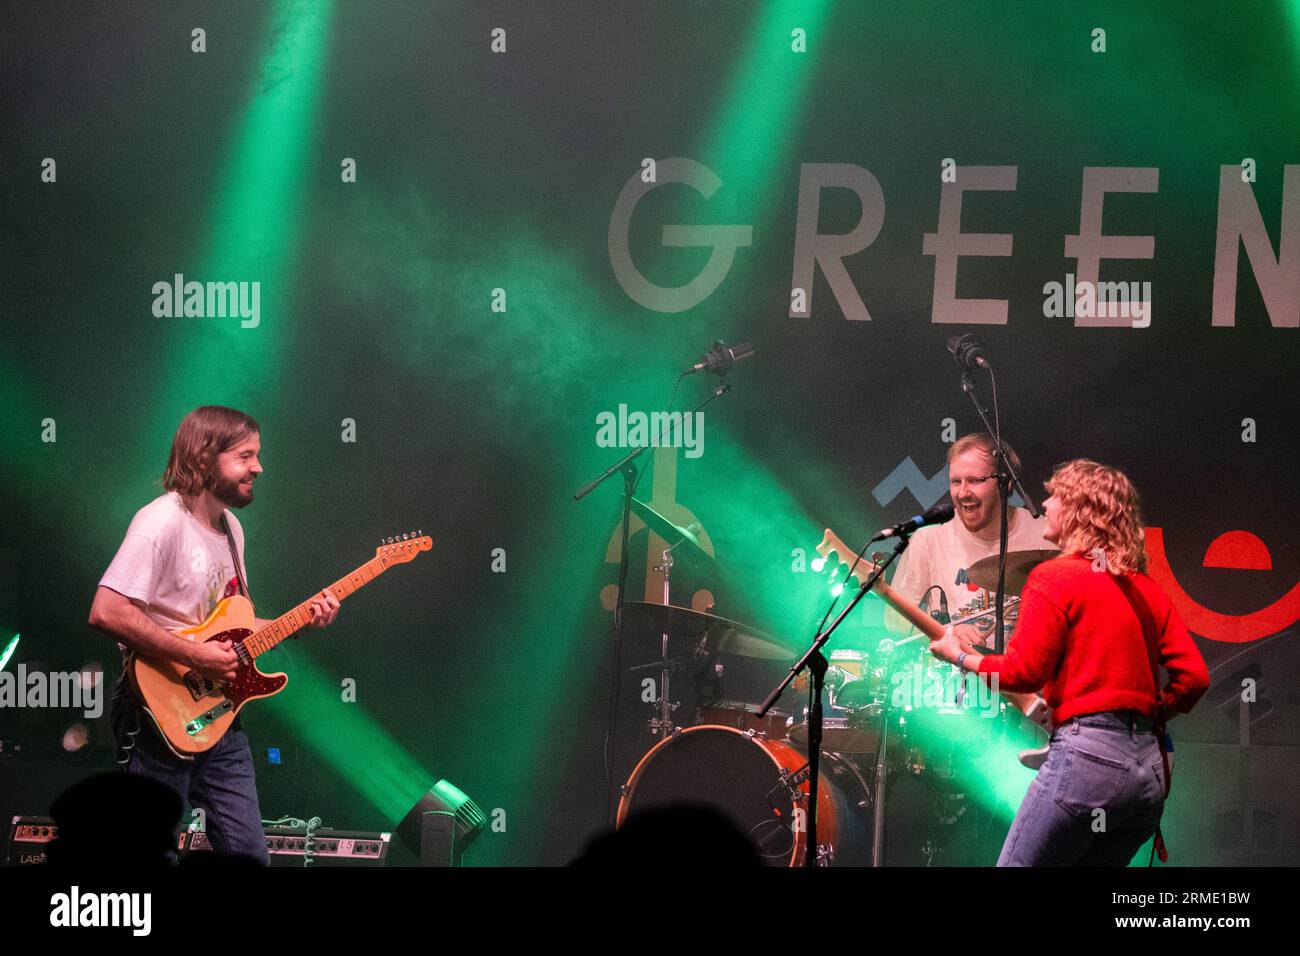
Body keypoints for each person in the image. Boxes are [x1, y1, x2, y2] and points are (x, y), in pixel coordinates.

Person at [89, 405, 340, 863]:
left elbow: (235, 630)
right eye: (245, 456)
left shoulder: (231, 529)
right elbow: (107, 610)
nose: (258, 468)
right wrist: (198, 657)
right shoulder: (160, 522)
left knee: (250, 856)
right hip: (158, 713)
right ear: (205, 458)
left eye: (257, 456)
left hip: (221, 715)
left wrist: (304, 620)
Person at [929, 459, 1210, 866]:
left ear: (1078, 510)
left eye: (1055, 496)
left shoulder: (1054, 577)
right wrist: (1146, 713)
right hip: (1147, 773)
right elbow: (1195, 678)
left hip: (1088, 764)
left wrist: (960, 655)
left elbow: (1023, 673)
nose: (1043, 504)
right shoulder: (1147, 588)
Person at [884, 433, 1056, 650]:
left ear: (1006, 484)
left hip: (1028, 677)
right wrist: (946, 630)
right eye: (956, 481)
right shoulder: (930, 537)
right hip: (952, 678)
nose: (963, 492)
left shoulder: (1047, 535)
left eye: (975, 480)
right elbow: (895, 620)